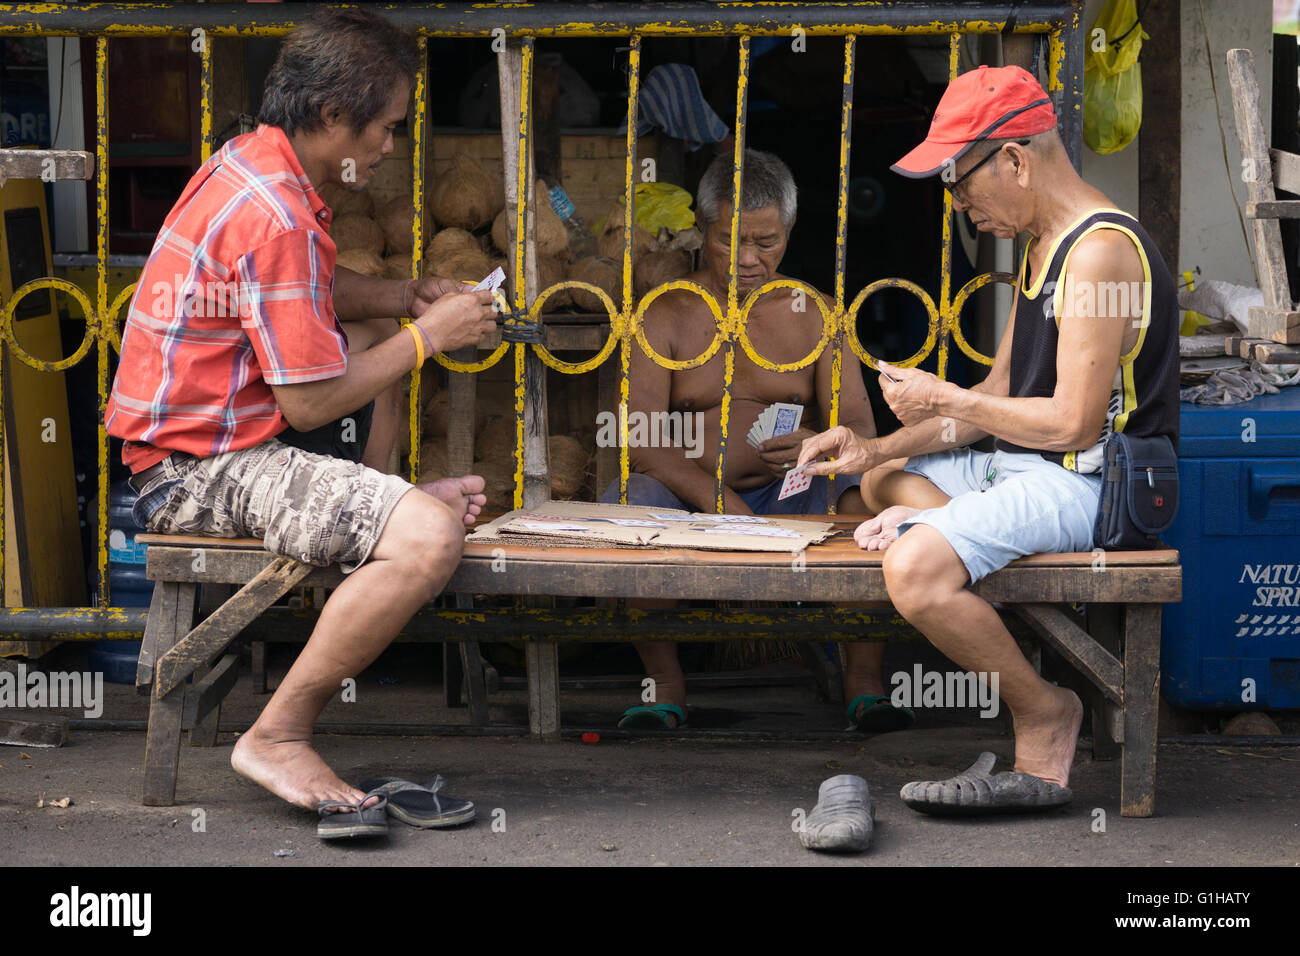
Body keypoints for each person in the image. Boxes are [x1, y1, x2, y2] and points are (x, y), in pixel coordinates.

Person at [105, 9, 498, 822]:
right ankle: (279, 733)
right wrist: (431, 337)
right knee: (432, 537)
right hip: (192, 474)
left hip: (191, 449)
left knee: (375, 340)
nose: (391, 147)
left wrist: (402, 298)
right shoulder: (277, 213)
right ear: (330, 117)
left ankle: (383, 505)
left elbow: (302, 301)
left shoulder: (254, 163)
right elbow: (311, 401)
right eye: (386, 128)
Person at [798, 65, 1179, 815]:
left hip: (1090, 485)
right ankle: (943, 518)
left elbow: (1070, 423)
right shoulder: (1044, 247)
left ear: (1014, 158)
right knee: (874, 486)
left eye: (961, 185)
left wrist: (939, 398)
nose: (962, 207)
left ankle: (1043, 712)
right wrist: (875, 448)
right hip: (1026, 468)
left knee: (912, 570)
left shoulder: (1100, 255)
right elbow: (998, 400)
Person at [601, 149, 909, 733]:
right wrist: (723, 507)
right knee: (629, 497)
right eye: (727, 241)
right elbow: (638, 437)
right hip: (691, 503)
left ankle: (865, 681)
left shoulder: (814, 313)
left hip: (789, 498)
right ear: (703, 229)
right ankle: (664, 684)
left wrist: (815, 442)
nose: (745, 261)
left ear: (789, 232)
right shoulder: (663, 313)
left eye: (765, 243)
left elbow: (862, 435)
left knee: (869, 493)